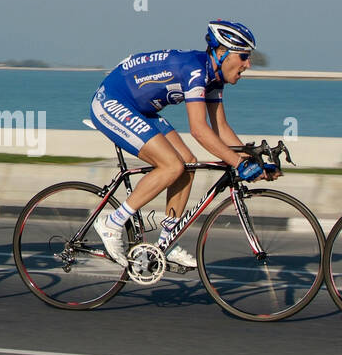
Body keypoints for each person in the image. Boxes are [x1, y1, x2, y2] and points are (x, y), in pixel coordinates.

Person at [88, 21, 272, 269]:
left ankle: (166, 240)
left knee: (188, 163)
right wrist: (239, 163)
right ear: (222, 53)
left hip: (142, 109)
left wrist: (252, 160)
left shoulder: (214, 78)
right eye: (244, 56)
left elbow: (221, 129)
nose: (248, 64)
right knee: (172, 165)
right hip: (112, 101)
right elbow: (199, 130)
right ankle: (112, 223)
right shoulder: (195, 71)